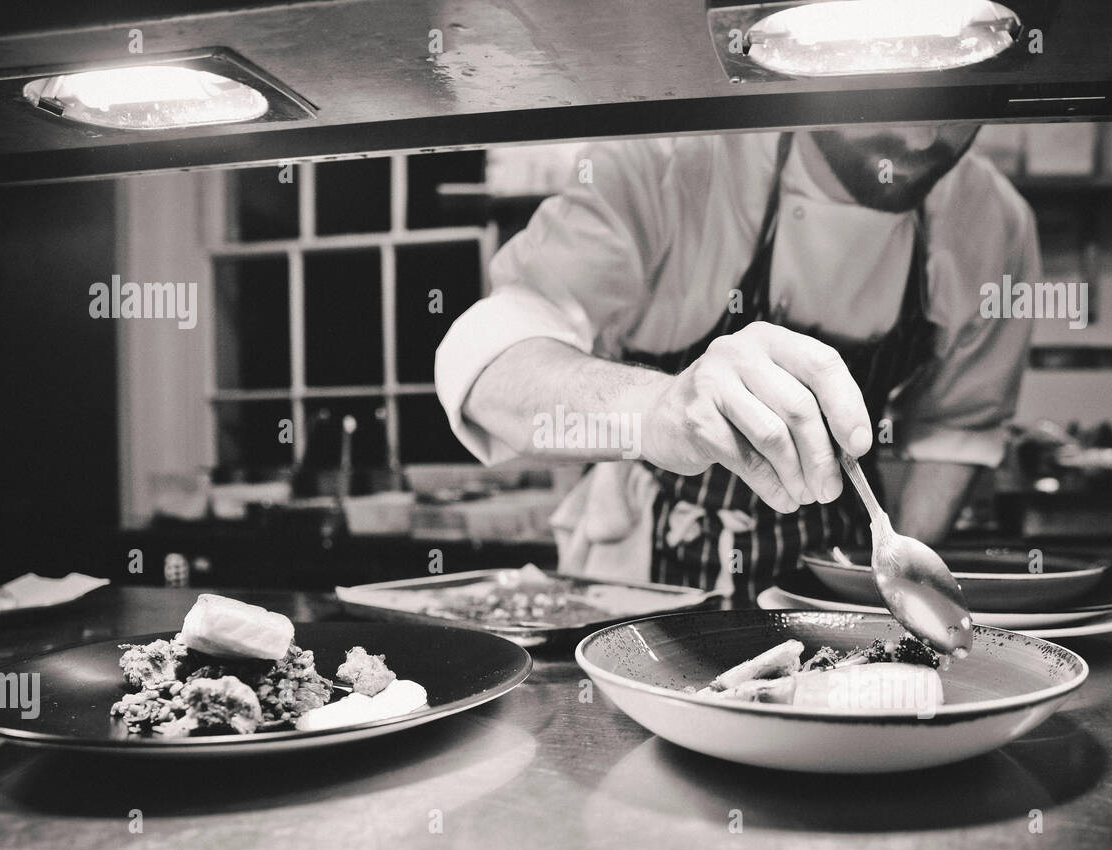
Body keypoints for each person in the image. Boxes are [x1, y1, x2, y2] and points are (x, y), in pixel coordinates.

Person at [435, 125, 1038, 601]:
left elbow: (955, 433)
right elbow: (492, 362)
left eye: (955, 102)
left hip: (835, 580)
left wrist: (888, 590)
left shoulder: (991, 220)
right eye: (888, 100)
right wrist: (658, 410)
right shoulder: (670, 160)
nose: (922, 138)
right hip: (644, 583)